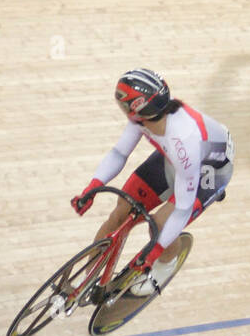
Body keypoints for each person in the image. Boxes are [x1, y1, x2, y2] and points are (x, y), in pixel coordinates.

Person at [73, 69, 234, 298]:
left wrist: (154, 252)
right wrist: (92, 187)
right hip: (174, 159)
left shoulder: (182, 140)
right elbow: (119, 153)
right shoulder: (144, 117)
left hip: (208, 170)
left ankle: (165, 265)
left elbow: (182, 208)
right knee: (121, 211)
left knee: (158, 225)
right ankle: (90, 277)